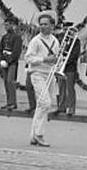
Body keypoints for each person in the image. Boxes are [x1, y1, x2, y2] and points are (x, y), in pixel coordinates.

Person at [25, 11, 60, 146]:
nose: (43, 26)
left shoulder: (55, 41)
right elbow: (28, 58)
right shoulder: (36, 41)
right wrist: (44, 59)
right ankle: (39, 134)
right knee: (45, 103)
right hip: (37, 73)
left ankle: (33, 136)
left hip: (50, 74)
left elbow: (56, 58)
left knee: (43, 105)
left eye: (46, 24)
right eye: (41, 24)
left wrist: (57, 62)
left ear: (52, 25)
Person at [0, 14, 23, 110]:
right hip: (4, 62)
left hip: (12, 63)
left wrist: (8, 61)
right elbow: (0, 49)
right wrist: (1, 60)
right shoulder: (4, 37)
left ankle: (13, 102)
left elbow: (16, 51)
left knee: (10, 82)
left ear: (13, 25)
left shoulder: (17, 37)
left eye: (8, 25)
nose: (6, 27)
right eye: (5, 25)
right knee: (5, 82)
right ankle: (8, 102)